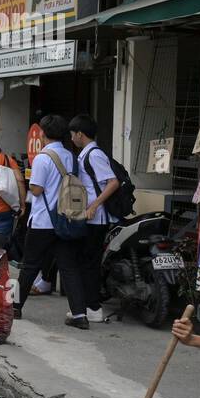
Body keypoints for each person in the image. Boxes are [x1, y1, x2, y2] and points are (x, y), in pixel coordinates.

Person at [16, 114, 89, 328]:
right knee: (69, 268)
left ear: (42, 134)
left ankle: (15, 307)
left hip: (43, 221)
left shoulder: (43, 158)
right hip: (66, 219)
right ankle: (79, 315)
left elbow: (37, 189)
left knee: (29, 265)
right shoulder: (71, 156)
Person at [69, 114, 119, 323]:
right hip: (90, 217)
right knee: (85, 263)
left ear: (80, 134)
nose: (71, 138)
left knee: (89, 264)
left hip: (96, 219)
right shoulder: (86, 154)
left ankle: (93, 308)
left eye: (72, 134)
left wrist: (94, 205)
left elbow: (113, 182)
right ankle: (89, 305)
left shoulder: (94, 155)